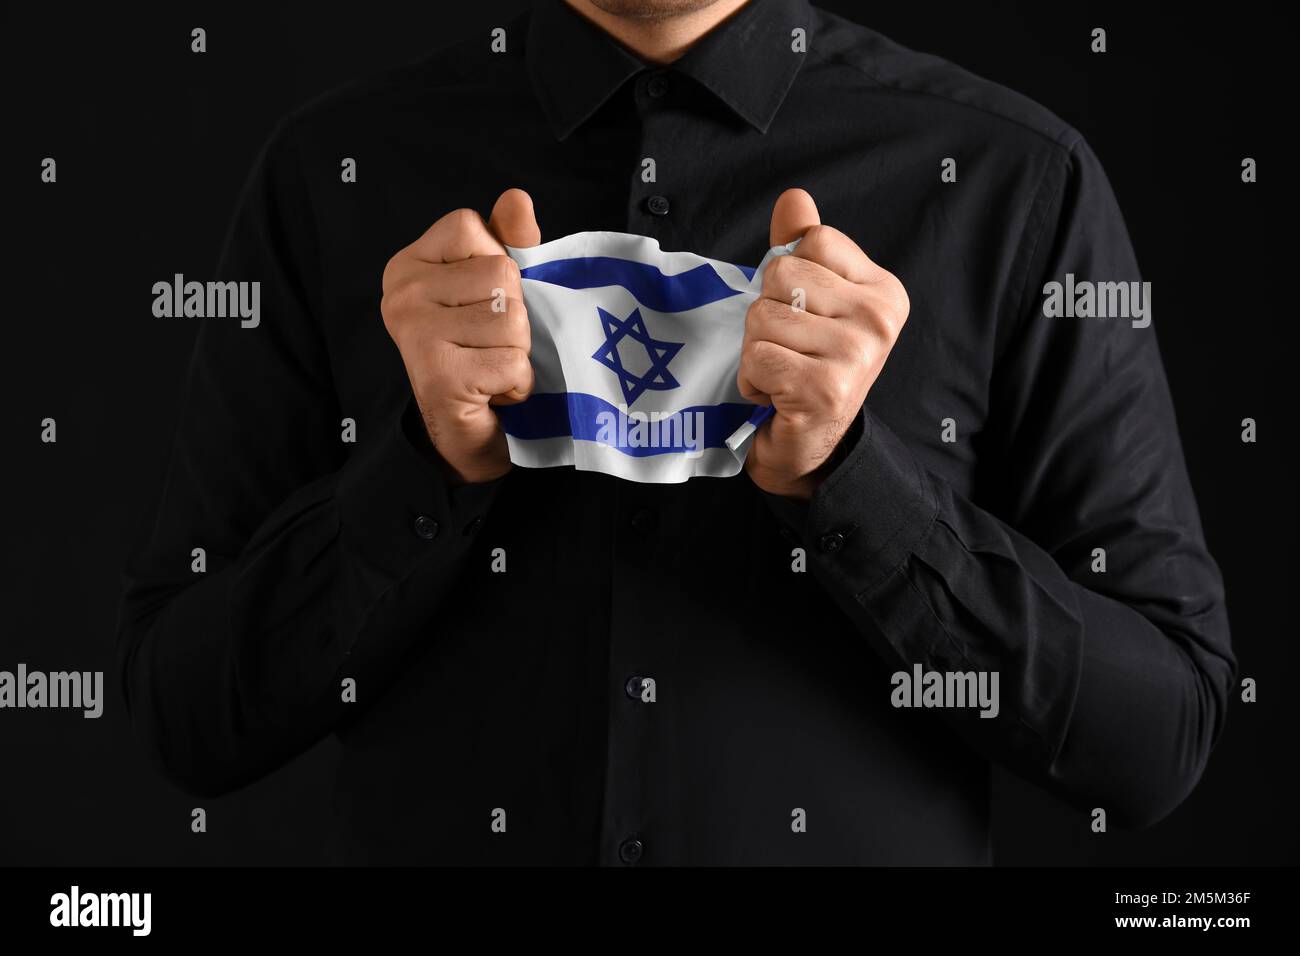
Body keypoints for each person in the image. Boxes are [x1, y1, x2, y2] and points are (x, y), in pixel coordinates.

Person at [116, 0, 1235, 864]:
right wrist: (420, 469)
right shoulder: (333, 170)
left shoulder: (1012, 179)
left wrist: (861, 488)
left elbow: (1154, 741)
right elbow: (187, 716)